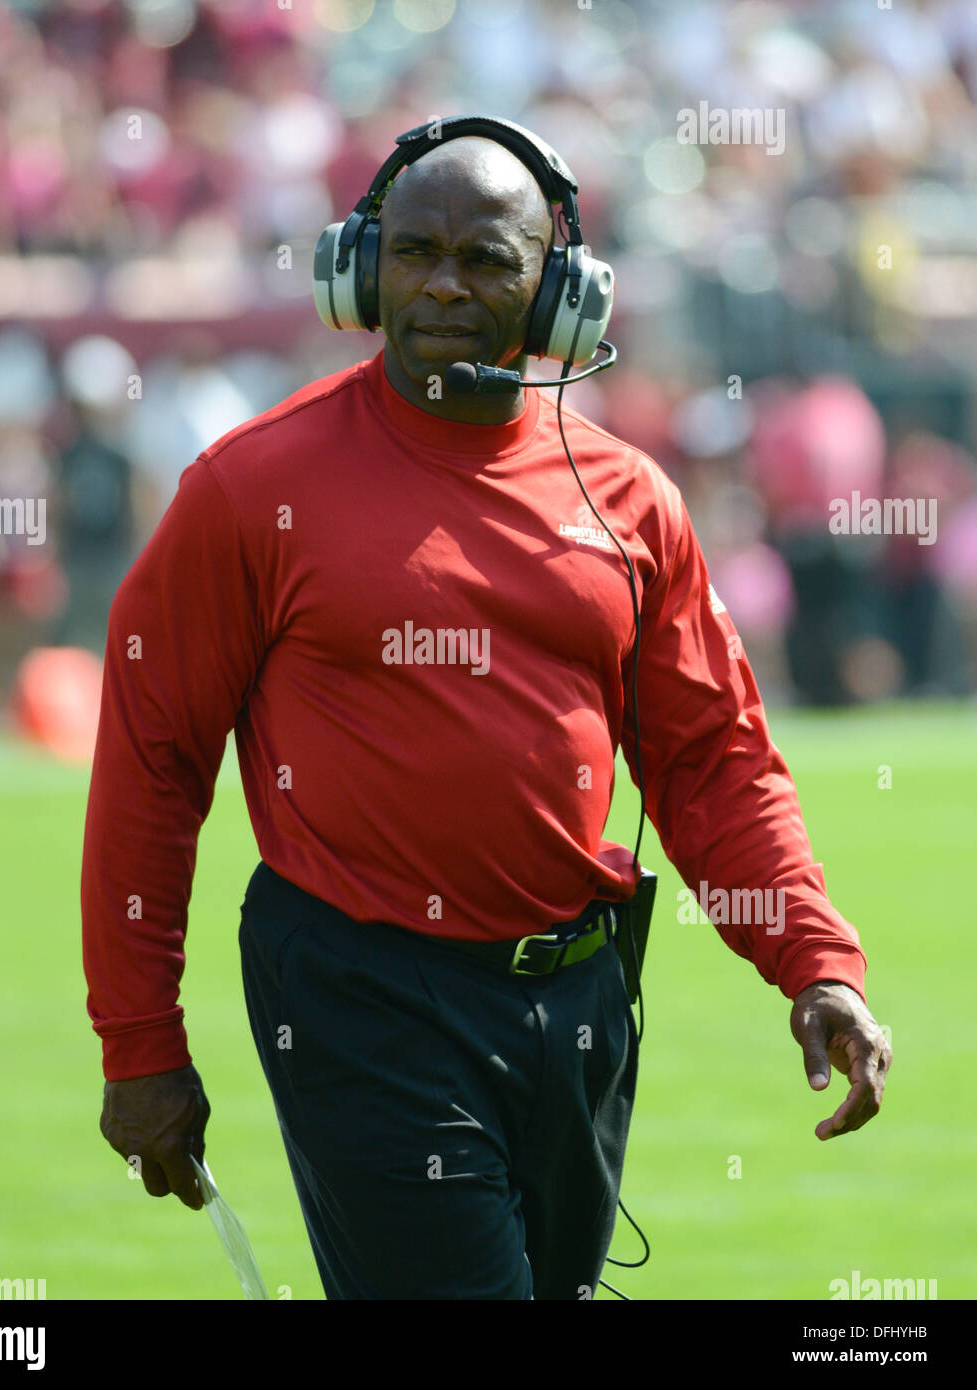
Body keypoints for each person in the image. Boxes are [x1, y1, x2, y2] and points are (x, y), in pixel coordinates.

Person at [83, 117, 892, 1301]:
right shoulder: (251, 488)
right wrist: (140, 1041)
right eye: (415, 252)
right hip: (361, 994)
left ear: (560, 291)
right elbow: (151, 762)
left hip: (579, 999)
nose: (444, 285)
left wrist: (815, 961)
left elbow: (713, 761)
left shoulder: (630, 497)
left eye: (485, 259)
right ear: (362, 269)